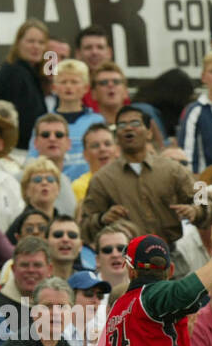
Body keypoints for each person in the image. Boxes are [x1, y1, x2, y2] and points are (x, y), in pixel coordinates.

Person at [80, 105, 202, 248]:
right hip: (126, 259)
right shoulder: (102, 179)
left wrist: (196, 209)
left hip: (171, 254)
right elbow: (84, 227)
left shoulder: (173, 169)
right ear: (117, 136)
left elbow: (203, 193)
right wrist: (102, 219)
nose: (128, 128)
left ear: (149, 132)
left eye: (135, 123)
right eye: (122, 125)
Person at [0, 20, 49, 145]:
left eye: (41, 42)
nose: (36, 46)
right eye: (30, 41)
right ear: (18, 43)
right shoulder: (13, 72)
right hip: (15, 149)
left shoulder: (30, 74)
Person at [26, 114, 78, 218]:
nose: (52, 139)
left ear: (68, 143)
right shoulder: (20, 179)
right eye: (45, 135)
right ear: (35, 143)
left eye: (59, 135)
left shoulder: (69, 182)